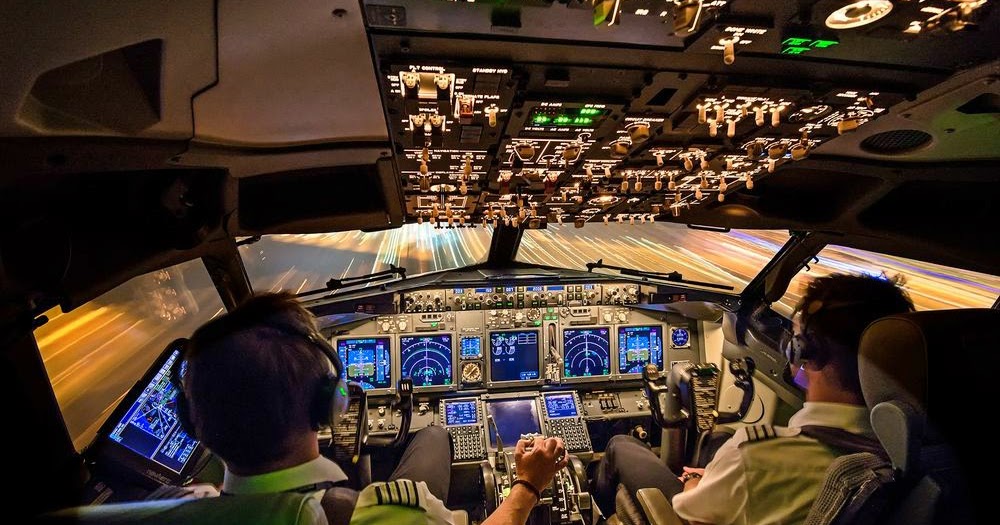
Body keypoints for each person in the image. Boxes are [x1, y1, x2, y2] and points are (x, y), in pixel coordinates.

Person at [179, 292, 566, 525]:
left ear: (195, 424)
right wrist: (527, 485)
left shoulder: (168, 511)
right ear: (329, 406)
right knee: (436, 435)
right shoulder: (399, 511)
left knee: (433, 433)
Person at [592, 273, 914, 525]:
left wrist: (693, 482)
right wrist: (726, 477)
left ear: (803, 352)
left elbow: (689, 515)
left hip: (696, 509)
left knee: (622, 445)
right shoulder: (915, 450)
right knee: (718, 438)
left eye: (794, 336)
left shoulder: (758, 457)